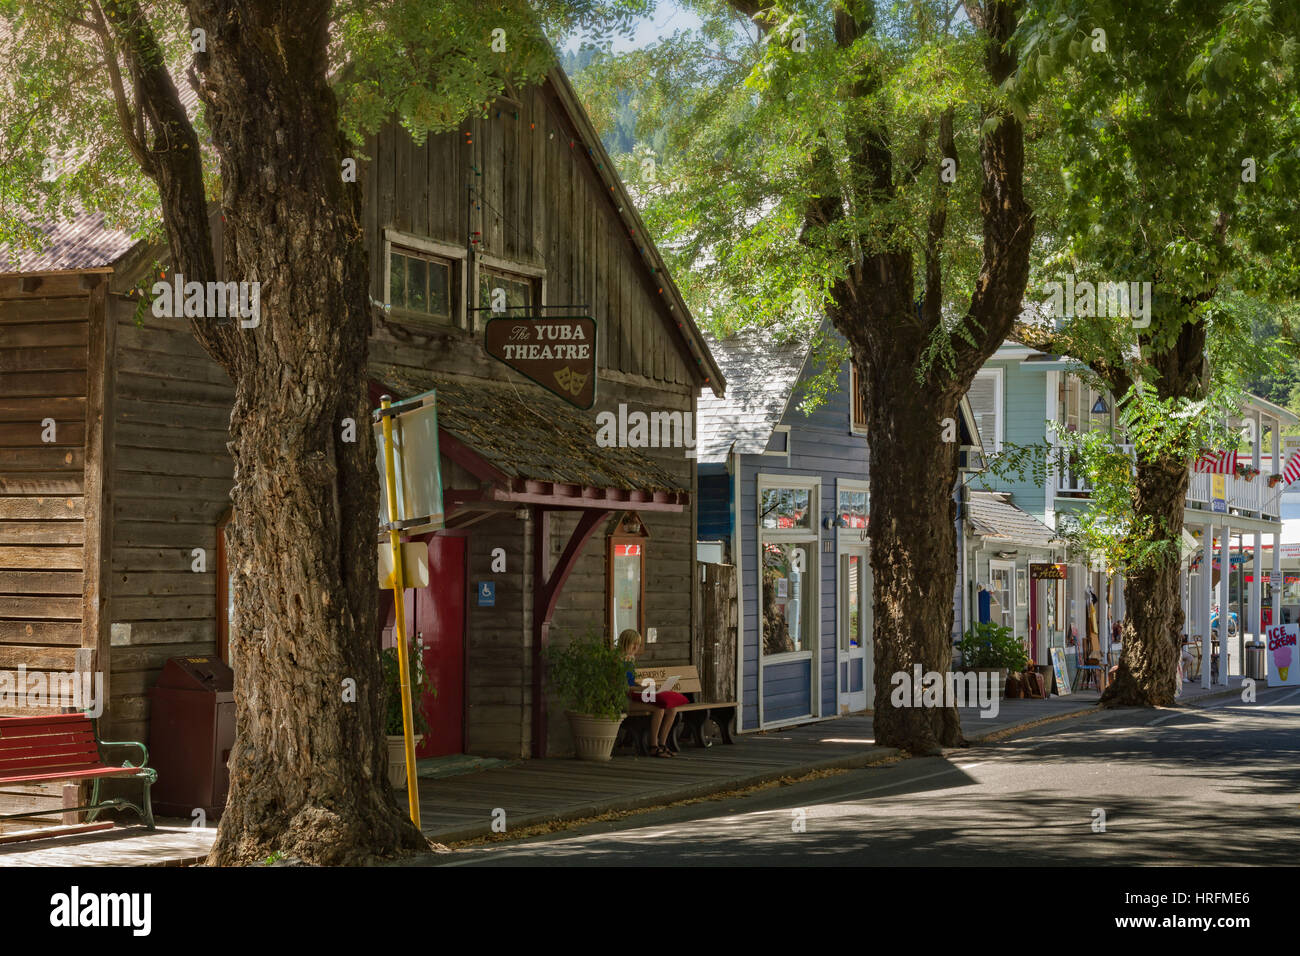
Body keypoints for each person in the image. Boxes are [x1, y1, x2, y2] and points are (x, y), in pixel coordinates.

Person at [618, 628, 689, 758]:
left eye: (637, 644)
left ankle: (662, 744)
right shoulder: (618, 661)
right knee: (659, 709)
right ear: (625, 643)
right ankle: (653, 746)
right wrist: (643, 689)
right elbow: (623, 688)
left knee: (672, 709)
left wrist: (646, 686)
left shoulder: (629, 660)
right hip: (623, 700)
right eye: (633, 643)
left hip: (633, 697)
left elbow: (631, 683)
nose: (636, 647)